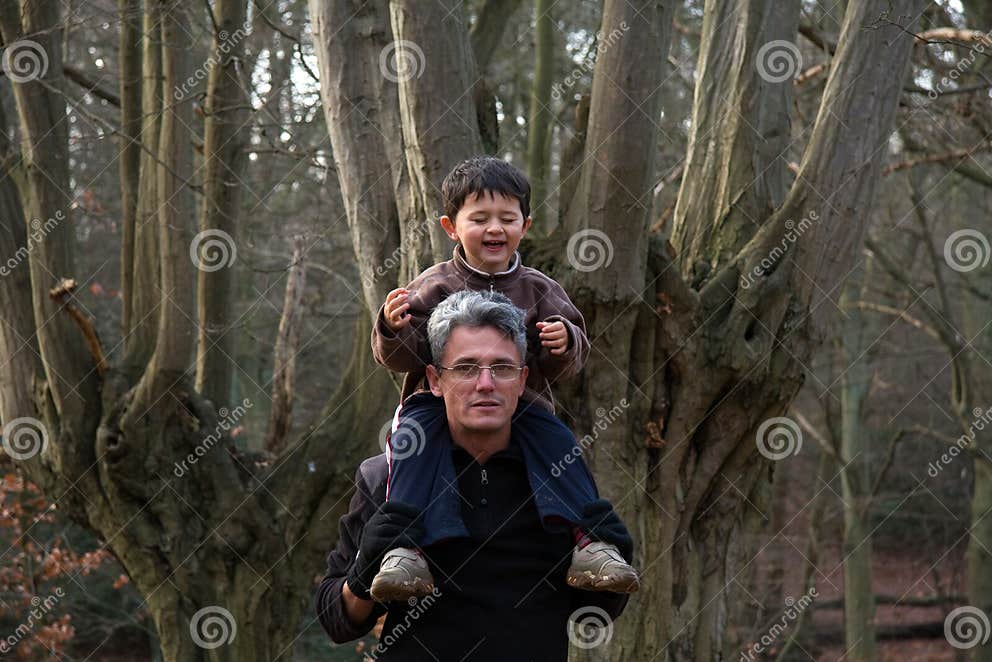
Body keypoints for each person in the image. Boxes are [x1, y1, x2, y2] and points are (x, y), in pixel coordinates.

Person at [370, 156, 638, 601]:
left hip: (522, 404)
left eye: (507, 218)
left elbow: (569, 364)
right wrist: (392, 328)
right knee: (411, 442)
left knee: (559, 441)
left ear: (525, 226)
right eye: (479, 218)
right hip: (437, 405)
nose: (494, 228)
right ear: (450, 226)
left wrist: (564, 342)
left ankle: (591, 543)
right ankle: (404, 550)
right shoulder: (432, 286)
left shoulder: (540, 289)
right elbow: (402, 357)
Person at [316, 291, 635, 661]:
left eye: (501, 368)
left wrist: (615, 565)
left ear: (522, 380)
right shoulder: (388, 476)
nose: (486, 384)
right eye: (466, 368)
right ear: (435, 380)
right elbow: (336, 621)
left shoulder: (559, 477)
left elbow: (592, 614)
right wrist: (362, 572)